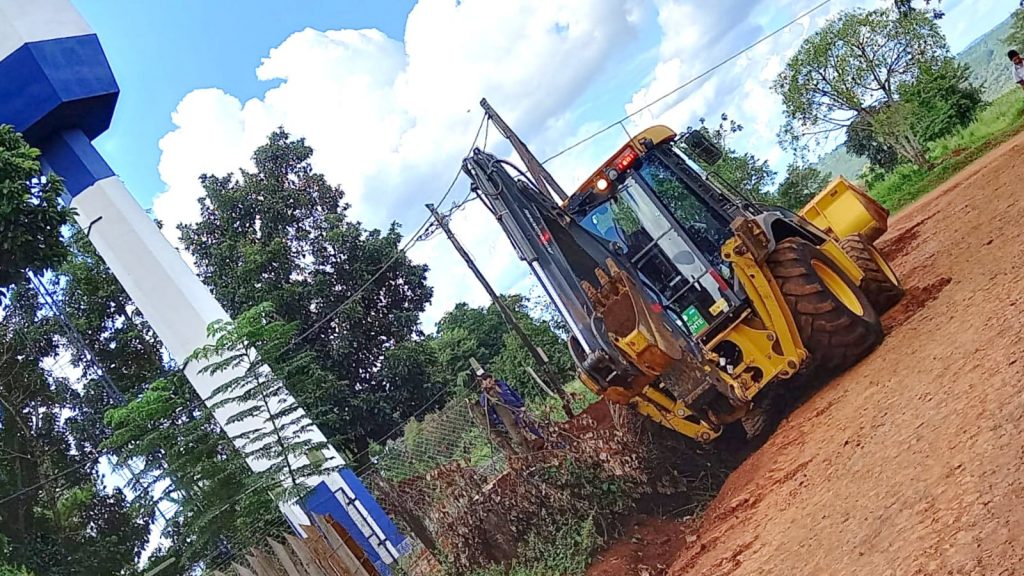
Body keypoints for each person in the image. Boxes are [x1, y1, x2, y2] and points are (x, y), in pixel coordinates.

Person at [477, 372, 543, 441]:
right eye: (488, 383)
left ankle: (543, 437)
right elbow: (487, 410)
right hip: (509, 416)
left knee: (533, 423)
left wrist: (521, 404)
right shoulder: (486, 397)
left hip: (519, 408)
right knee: (524, 433)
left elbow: (513, 393)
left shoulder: (501, 384)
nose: (491, 383)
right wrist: (498, 421)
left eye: (491, 381)